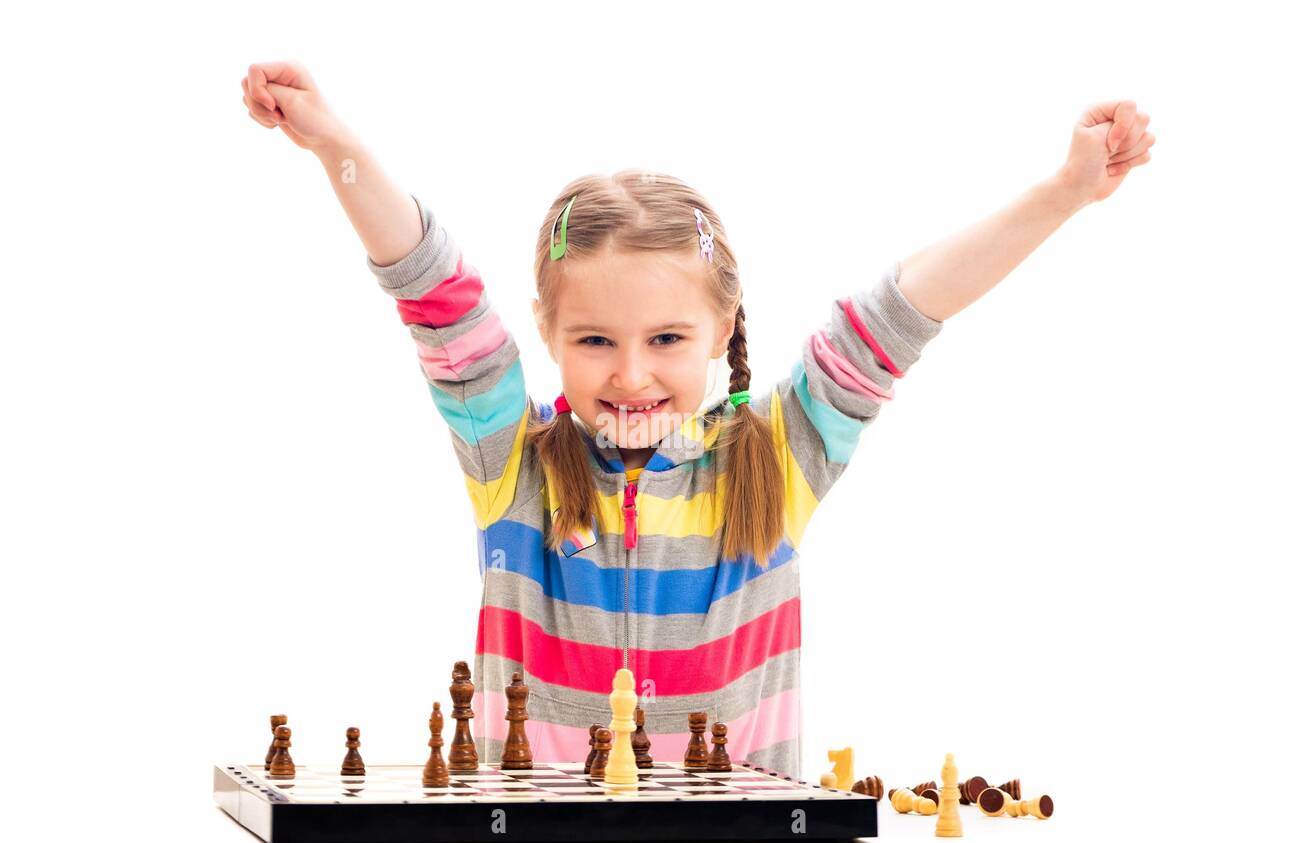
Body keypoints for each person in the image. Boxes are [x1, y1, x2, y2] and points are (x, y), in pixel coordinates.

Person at [241, 61, 1154, 779]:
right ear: (549, 331)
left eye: (667, 337)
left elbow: (900, 312)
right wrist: (337, 149)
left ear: (722, 328)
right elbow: (436, 294)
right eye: (595, 338)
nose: (631, 374)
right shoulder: (507, 463)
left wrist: (1064, 193)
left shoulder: (779, 456)